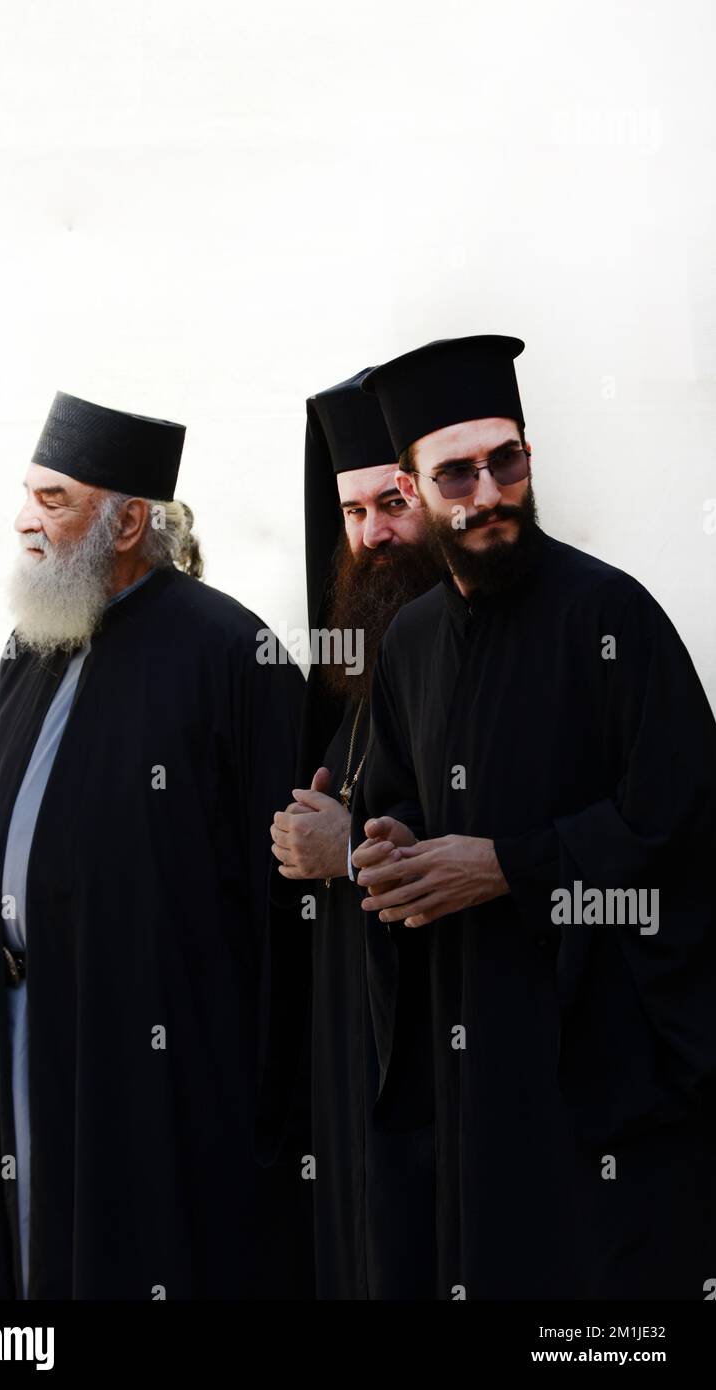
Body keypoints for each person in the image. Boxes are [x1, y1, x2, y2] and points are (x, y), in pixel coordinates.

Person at [351, 335, 716, 1299]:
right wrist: (380, 844)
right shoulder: (411, 641)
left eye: (504, 460)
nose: (486, 493)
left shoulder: (612, 615)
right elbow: (392, 799)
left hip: (597, 1070)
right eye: (456, 472)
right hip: (467, 1058)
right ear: (412, 485)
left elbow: (686, 829)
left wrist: (515, 864)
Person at [0, 390, 309, 1299]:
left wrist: (267, 1097)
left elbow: (283, 902)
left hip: (154, 1056)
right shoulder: (28, 648)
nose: (27, 520)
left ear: (130, 520)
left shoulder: (230, 652)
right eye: (29, 494)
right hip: (24, 1027)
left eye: (55, 499)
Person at [269, 370, 439, 1298]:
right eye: (353, 510)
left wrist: (350, 855)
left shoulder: (517, 641)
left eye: (394, 503)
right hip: (352, 1076)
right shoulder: (357, 675)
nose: (374, 534)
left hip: (459, 1080)